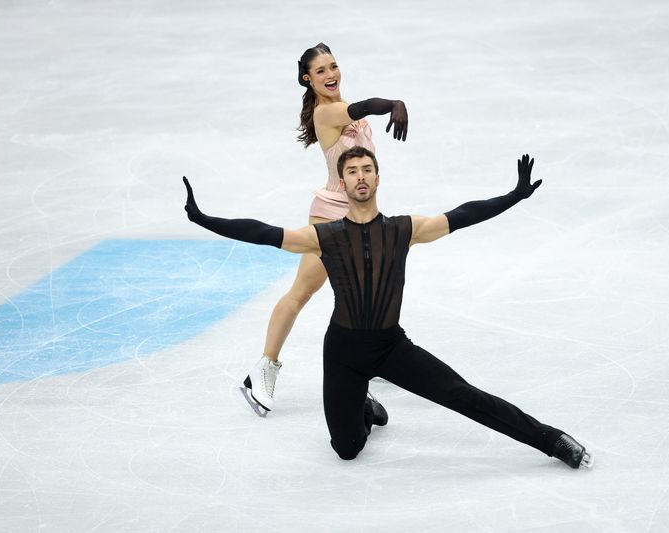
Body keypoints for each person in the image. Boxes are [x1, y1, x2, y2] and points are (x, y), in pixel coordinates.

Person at [181, 147, 594, 468]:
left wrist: (514, 195)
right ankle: (364, 404)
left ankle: (552, 440)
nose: (360, 177)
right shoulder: (323, 237)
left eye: (366, 170)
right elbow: (262, 232)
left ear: (377, 177)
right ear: (341, 183)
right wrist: (204, 219)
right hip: (343, 353)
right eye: (352, 171)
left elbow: (462, 215)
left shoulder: (404, 229)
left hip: (392, 348)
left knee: (464, 396)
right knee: (346, 450)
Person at [245, 43, 409, 413]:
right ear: (308, 79)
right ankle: (264, 367)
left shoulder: (337, 106)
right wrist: (395, 103)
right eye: (320, 71)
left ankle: (363, 365)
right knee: (303, 291)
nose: (330, 74)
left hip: (358, 216)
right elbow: (365, 107)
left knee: (363, 295)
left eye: (333, 66)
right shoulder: (327, 113)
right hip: (331, 218)